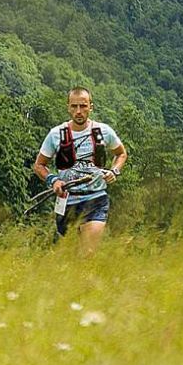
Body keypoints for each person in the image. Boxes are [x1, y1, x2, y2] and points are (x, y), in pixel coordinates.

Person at [32, 87, 128, 251]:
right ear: (68, 107)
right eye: (74, 106)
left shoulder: (102, 131)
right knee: (71, 257)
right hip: (67, 202)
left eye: (83, 106)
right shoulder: (56, 134)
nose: (79, 111)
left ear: (91, 107)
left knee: (88, 252)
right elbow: (39, 165)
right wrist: (53, 180)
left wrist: (114, 171)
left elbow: (121, 154)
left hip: (96, 199)